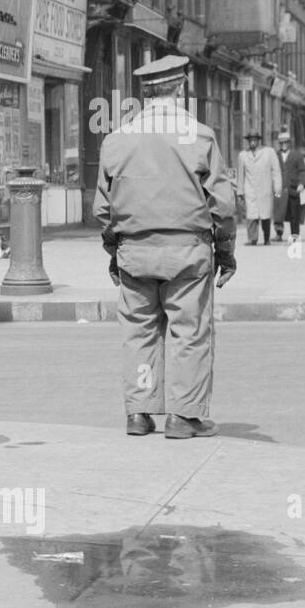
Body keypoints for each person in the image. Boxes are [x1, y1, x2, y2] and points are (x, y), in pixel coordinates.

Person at [94, 54, 237, 440]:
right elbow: (221, 206)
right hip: (187, 252)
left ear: (145, 94)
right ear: (179, 89)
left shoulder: (116, 139)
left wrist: (114, 252)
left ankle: (139, 413)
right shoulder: (200, 136)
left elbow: (104, 209)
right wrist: (225, 252)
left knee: (139, 331)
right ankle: (184, 416)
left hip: (134, 251)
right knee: (189, 332)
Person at [237, 129, 280, 245]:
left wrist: (277, 188)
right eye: (250, 140)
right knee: (251, 216)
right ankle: (252, 238)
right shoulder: (243, 155)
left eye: (255, 140)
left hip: (265, 188)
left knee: (265, 216)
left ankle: (266, 238)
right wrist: (240, 192)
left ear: (258, 141)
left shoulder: (269, 152)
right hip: (250, 189)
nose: (252, 143)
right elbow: (240, 175)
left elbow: (276, 171)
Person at [272, 130, 305, 243]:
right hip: (279, 188)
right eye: (281, 142)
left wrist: (302, 184)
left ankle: (295, 235)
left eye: (286, 142)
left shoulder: (296, 155)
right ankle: (278, 233)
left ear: (289, 143)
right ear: (279, 143)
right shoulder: (275, 155)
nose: (284, 144)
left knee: (294, 214)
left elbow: (303, 170)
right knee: (278, 213)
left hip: (293, 188)